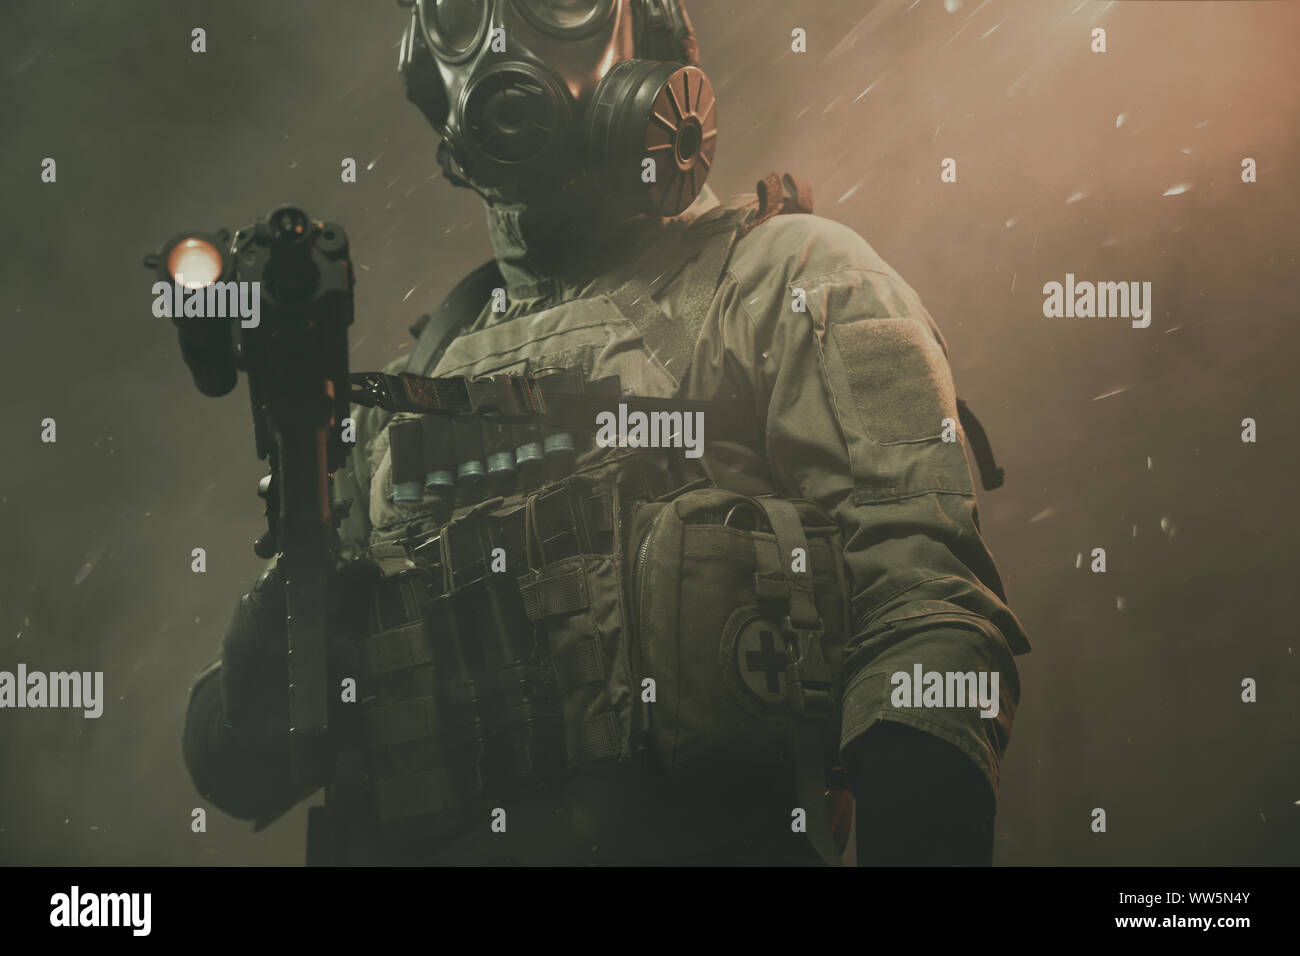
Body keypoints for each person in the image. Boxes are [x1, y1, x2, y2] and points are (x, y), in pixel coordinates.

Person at [183, 0, 1030, 866]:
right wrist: (273, 650)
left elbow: (925, 615)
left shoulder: (792, 280)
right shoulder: (398, 403)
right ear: (424, 74)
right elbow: (242, 766)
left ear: (649, 33)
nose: (502, 44)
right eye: (461, 14)